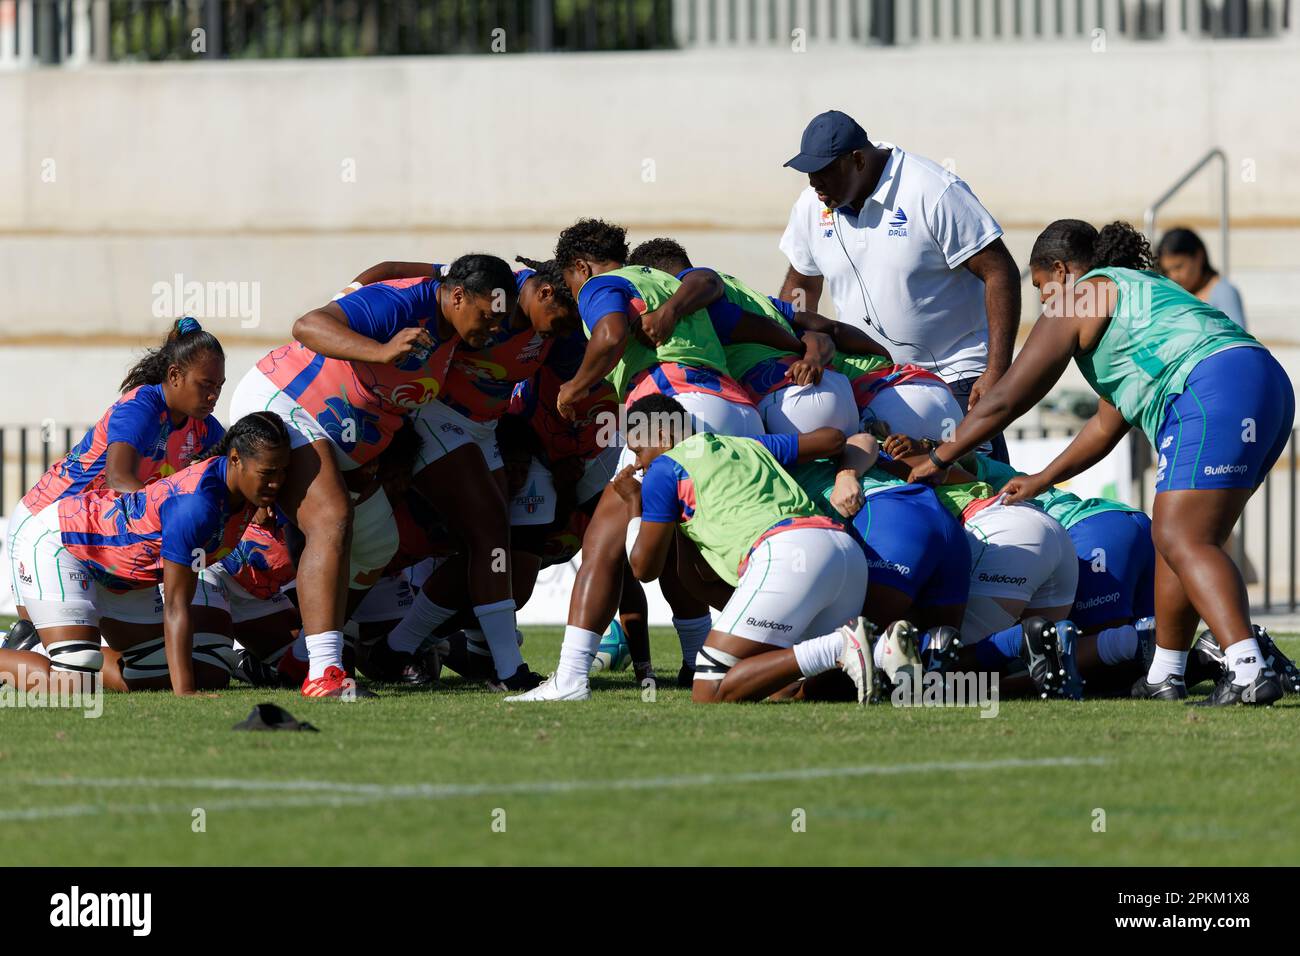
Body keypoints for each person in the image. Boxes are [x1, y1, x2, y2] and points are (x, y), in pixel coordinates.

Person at [910, 220, 1296, 706]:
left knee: (1183, 537)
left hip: (1210, 386)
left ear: (1061, 270)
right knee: (1174, 539)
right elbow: (1104, 426)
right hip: (1263, 383)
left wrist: (940, 456)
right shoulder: (1139, 294)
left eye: (1041, 288)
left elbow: (1007, 397)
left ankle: (1245, 667)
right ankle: (1165, 671)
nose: (1045, 302)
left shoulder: (1081, 296)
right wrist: (1042, 479)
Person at [228, 254, 515, 697]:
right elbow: (306, 325)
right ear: (458, 296)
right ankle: (325, 673)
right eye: (489, 317)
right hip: (285, 403)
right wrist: (381, 350)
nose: (494, 328)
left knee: (378, 542)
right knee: (333, 517)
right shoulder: (400, 306)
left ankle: (300, 657)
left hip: (337, 436)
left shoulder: (454, 328)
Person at [504, 220, 764, 701]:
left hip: (669, 403)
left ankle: (570, 677)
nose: (573, 294)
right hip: (737, 408)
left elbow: (609, 333)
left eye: (572, 281)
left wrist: (576, 386)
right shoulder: (665, 280)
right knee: (692, 548)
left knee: (601, 540)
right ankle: (700, 663)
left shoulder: (601, 283)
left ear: (580, 266)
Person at [778, 109, 1021, 462]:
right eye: (809, 174)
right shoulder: (810, 207)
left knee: (971, 491)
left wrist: (997, 370)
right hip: (872, 378)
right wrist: (791, 349)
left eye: (824, 174)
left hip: (956, 379)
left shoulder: (932, 191)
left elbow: (999, 271)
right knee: (892, 494)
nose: (815, 185)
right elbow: (801, 284)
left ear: (858, 160)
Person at [8, 412, 290, 696]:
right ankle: (41, 649)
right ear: (235, 460)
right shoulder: (196, 506)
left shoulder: (242, 490)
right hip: (67, 544)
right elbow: (176, 604)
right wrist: (186, 692)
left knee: (155, 672)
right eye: (268, 473)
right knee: (75, 675)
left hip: (122, 572)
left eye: (282, 472)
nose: (276, 483)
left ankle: (58, 646)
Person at [615, 395, 872, 704]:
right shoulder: (747, 445)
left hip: (787, 553)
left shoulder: (665, 468)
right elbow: (832, 439)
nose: (638, 464)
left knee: (710, 690)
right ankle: (884, 651)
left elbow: (644, 569)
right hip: (844, 552)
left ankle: (842, 645)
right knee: (797, 689)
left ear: (662, 436)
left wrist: (634, 504)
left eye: (639, 451)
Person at [7, 318, 225, 621]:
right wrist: (177, 517)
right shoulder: (142, 406)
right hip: (46, 525)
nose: (214, 396)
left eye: (219, 386)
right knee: (47, 644)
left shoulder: (206, 428)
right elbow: (118, 478)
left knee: (139, 658)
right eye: (205, 385)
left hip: (101, 533)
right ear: (175, 376)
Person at [626, 238, 860, 437]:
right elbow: (830, 328)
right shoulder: (755, 296)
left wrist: (668, 312)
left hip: (784, 398)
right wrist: (887, 355)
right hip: (835, 388)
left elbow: (709, 284)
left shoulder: (694, 297)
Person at [1157, 227, 1247, 330]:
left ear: (1199, 257)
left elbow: (1239, 341)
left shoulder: (1224, 292)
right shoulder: (1174, 294)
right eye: (1167, 271)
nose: (1173, 276)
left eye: (1178, 267)